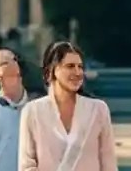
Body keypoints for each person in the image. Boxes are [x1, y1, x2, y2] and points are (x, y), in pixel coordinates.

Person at [18, 41, 118, 171]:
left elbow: (109, 164)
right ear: (52, 71)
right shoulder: (32, 111)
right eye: (70, 66)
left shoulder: (98, 109)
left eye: (80, 67)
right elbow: (26, 166)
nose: (77, 72)